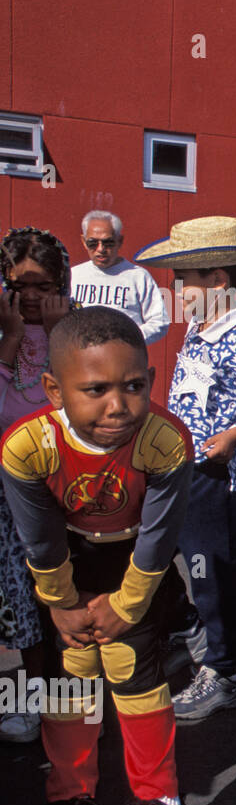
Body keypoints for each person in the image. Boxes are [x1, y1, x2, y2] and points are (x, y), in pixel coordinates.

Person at [1, 307, 193, 805]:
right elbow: (40, 540)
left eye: (134, 386)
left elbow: (158, 543)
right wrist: (62, 605)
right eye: (95, 389)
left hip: (135, 563)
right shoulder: (26, 447)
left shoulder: (165, 442)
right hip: (68, 563)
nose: (118, 406)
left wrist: (126, 605)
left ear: (151, 382)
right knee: (71, 675)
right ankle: (69, 802)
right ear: (55, 389)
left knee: (135, 673)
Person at [135, 215, 236, 721]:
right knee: (167, 558)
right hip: (183, 468)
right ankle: (197, 638)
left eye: (184, 279)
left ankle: (224, 673)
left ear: (218, 281)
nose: (175, 289)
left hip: (216, 477)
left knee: (212, 573)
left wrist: (229, 437)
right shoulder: (200, 331)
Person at [0, 228, 75, 744]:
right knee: (21, 602)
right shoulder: (1, 332)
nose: (29, 296)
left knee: (67, 598)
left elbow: (80, 409)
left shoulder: (77, 335)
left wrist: (58, 334)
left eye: (41, 284)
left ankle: (71, 701)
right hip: (7, 497)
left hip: (64, 492)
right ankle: (30, 699)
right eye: (17, 284)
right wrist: (9, 339)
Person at [69, 211, 169, 345]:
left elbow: (159, 322)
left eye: (108, 242)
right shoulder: (73, 275)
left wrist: (126, 341)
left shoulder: (138, 276)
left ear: (119, 241)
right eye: (93, 243)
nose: (101, 249)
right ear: (83, 241)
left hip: (125, 360)